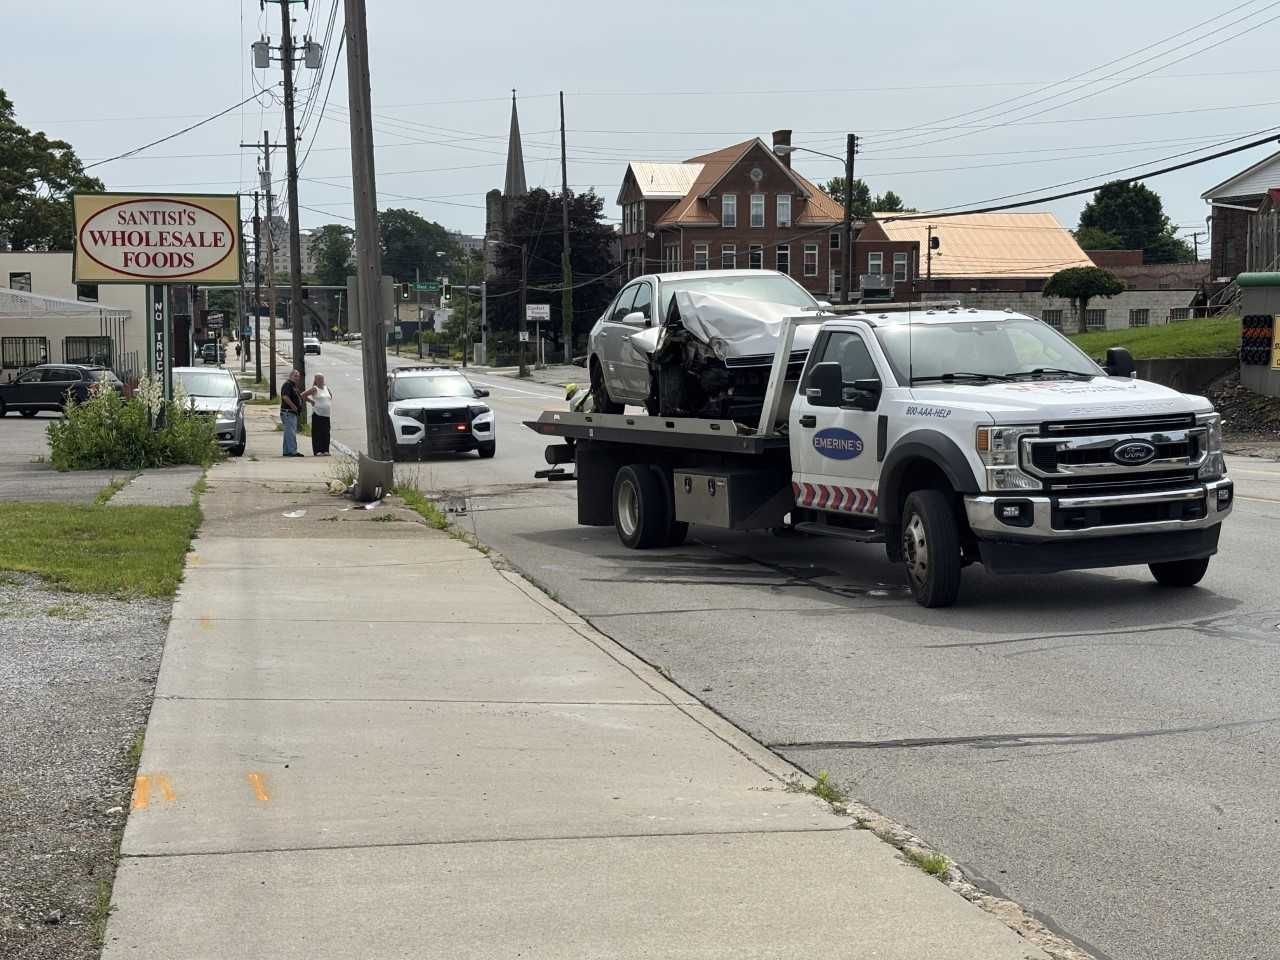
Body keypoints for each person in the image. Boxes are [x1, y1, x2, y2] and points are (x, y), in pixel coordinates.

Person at [303, 373, 332, 456]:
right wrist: (311, 401)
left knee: (326, 432)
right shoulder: (314, 389)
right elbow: (303, 395)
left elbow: (330, 396)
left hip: (326, 414)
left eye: (322, 379)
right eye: (319, 379)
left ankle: (326, 450)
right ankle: (317, 451)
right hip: (317, 414)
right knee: (317, 433)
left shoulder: (326, 388)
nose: (321, 380)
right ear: (315, 380)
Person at [280, 369, 303, 457]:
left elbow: (299, 397)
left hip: (291, 413)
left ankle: (286, 451)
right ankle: (293, 451)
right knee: (291, 433)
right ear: (290, 376)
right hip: (288, 412)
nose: (297, 378)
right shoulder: (288, 385)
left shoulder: (294, 386)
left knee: (288, 433)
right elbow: (285, 397)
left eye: (298, 376)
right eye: (295, 376)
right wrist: (293, 406)